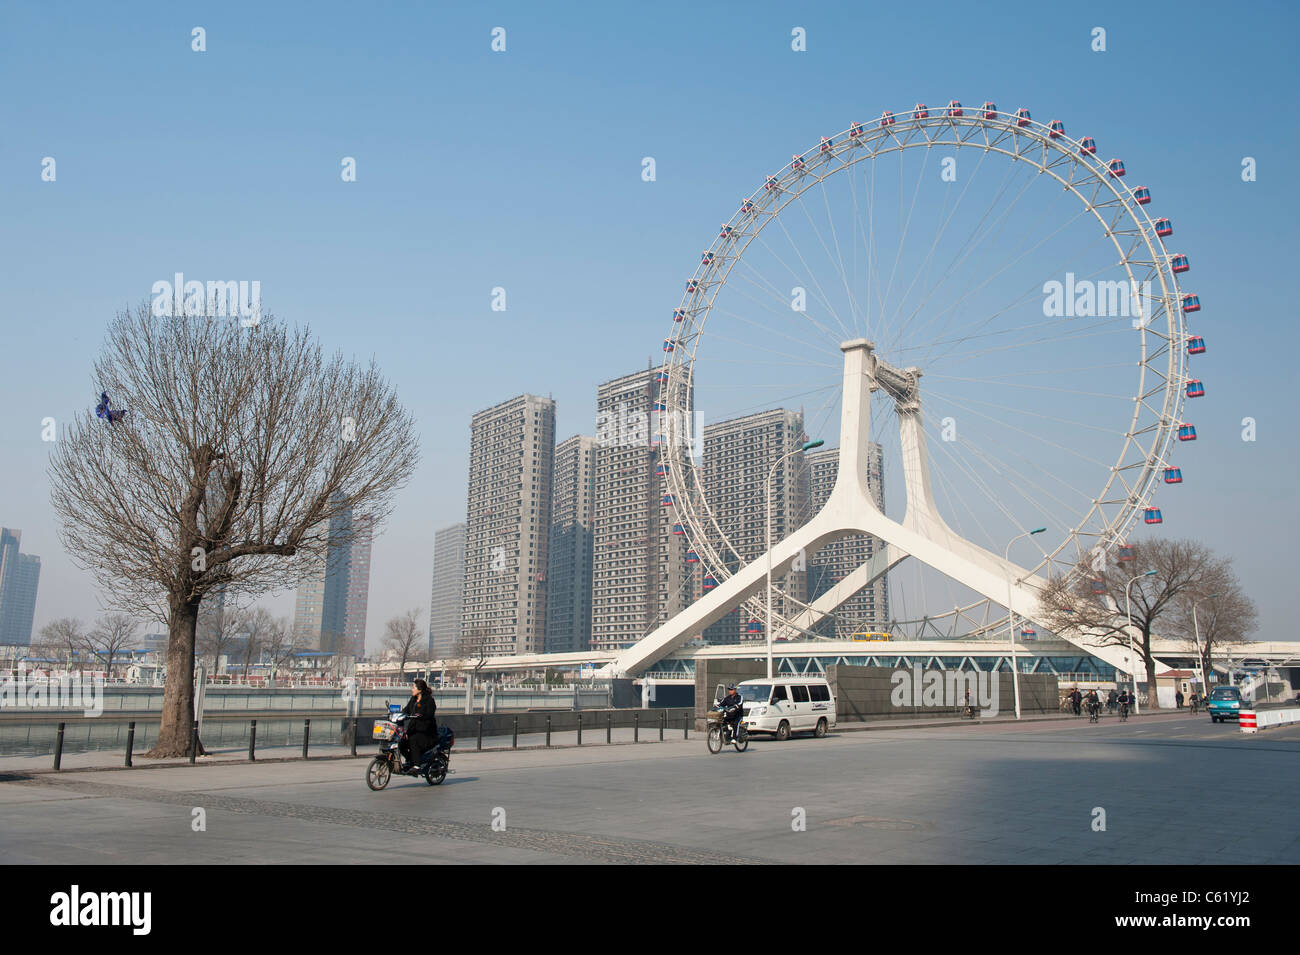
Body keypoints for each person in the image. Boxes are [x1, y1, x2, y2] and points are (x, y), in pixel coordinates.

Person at [401, 678, 438, 771]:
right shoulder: (413, 700)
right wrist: (398, 713)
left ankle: (417, 765)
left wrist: (421, 716)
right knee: (401, 742)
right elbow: (406, 710)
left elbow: (430, 714)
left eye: (413, 687)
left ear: (420, 689)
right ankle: (410, 760)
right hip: (414, 730)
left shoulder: (429, 700)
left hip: (427, 733)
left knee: (413, 740)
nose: (412, 689)